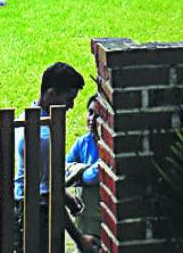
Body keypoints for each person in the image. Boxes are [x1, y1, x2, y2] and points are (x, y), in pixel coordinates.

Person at [14, 63, 89, 253]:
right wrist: (79, 238)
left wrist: (67, 197)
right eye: (69, 99)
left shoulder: (27, 116)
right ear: (51, 94)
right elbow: (49, 197)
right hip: (36, 215)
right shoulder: (43, 137)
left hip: (22, 206)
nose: (72, 106)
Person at [66, 95, 103, 251]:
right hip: (85, 220)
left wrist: (80, 172)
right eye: (90, 113)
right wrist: (82, 170)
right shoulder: (83, 142)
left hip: (102, 218)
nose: (92, 119)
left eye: (97, 115)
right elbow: (63, 168)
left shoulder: (109, 146)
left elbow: (93, 176)